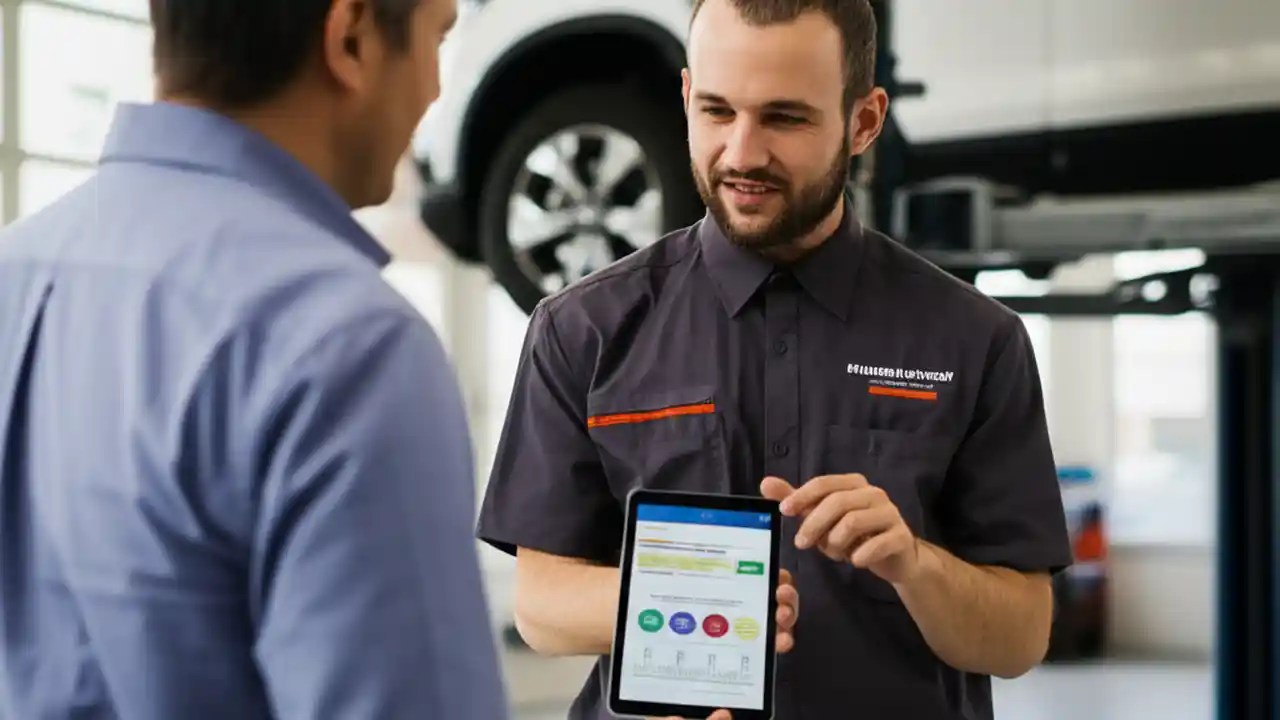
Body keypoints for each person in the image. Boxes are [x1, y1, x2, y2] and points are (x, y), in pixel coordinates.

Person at [477, 0, 1074, 718]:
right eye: (718, 111)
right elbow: (542, 606)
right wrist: (704, 596)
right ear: (687, 96)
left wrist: (915, 567)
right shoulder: (583, 330)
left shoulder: (976, 341)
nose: (742, 152)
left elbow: (1019, 636)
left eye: (785, 118)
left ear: (865, 121)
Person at [0, 1, 507, 718]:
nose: (432, 90)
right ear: (352, 35)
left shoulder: (13, 272)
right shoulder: (346, 342)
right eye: (438, 38)